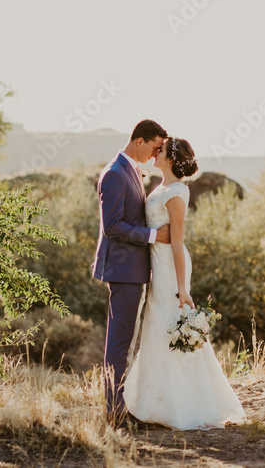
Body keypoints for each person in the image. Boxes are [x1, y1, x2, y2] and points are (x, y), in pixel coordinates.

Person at [123, 136, 247, 430]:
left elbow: (178, 244)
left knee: (171, 329)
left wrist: (183, 289)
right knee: (156, 331)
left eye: (161, 150)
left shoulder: (177, 192)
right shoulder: (161, 186)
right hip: (156, 268)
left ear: (171, 159)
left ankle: (186, 405)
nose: (156, 153)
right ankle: (154, 401)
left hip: (171, 270)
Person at [91, 119, 170, 422]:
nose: (154, 155)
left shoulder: (131, 170)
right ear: (139, 141)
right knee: (119, 341)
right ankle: (113, 411)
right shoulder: (114, 174)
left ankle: (122, 403)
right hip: (122, 270)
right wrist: (153, 236)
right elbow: (112, 226)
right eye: (153, 148)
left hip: (133, 269)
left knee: (126, 339)